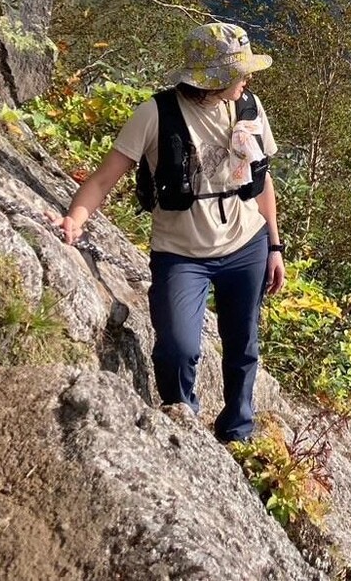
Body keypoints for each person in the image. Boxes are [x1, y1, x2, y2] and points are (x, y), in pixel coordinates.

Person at [48, 22, 285, 442]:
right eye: (239, 72)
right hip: (181, 253)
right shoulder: (156, 113)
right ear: (211, 79)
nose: (247, 79)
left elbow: (262, 180)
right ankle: (185, 424)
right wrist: (75, 220)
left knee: (243, 345)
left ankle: (237, 431)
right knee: (178, 348)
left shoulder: (249, 107)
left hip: (246, 244)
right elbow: (105, 178)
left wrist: (274, 245)